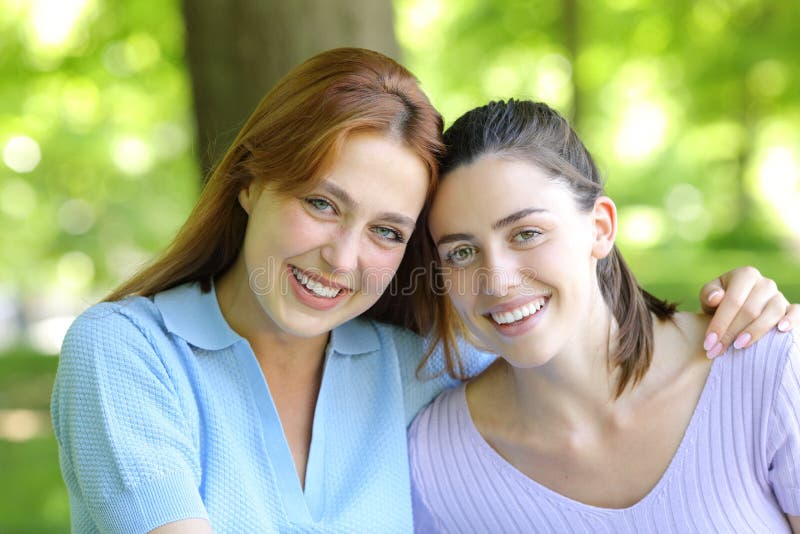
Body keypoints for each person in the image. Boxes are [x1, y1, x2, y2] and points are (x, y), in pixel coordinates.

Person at [50, 48, 795, 533]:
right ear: (250, 183)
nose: (341, 258)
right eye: (321, 204)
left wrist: (738, 311)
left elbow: (552, 340)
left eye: (386, 231)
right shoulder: (128, 353)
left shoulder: (413, 369)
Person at [408, 99, 800, 533]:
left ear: (600, 228)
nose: (497, 282)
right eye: (462, 252)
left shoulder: (765, 367)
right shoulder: (437, 462)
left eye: (526, 234)